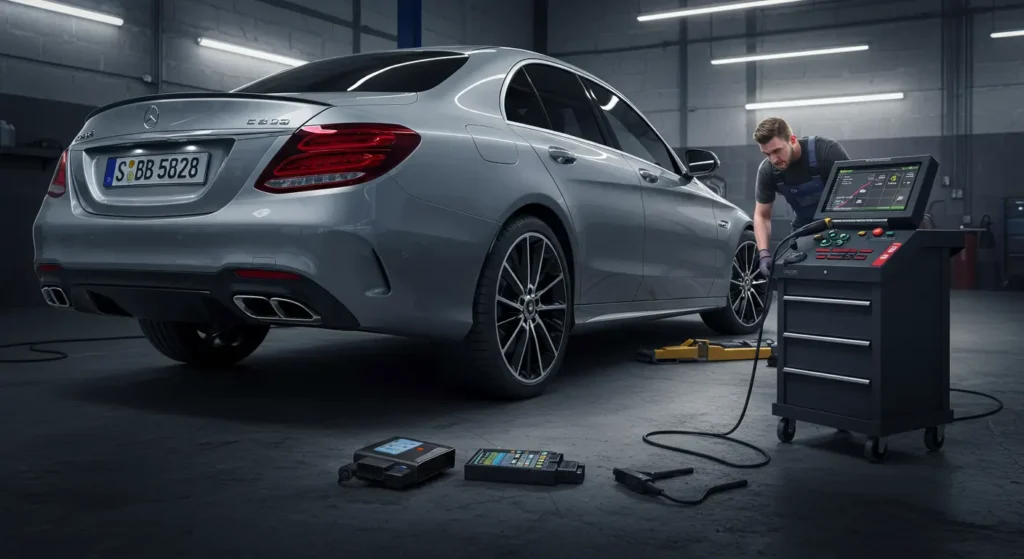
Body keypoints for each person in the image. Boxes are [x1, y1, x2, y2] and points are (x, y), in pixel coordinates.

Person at [751, 117, 851, 277]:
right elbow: (762, 215)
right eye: (767, 154)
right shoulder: (767, 170)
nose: (773, 160)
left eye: (776, 151)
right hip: (804, 229)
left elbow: (854, 196)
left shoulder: (826, 151)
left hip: (840, 227)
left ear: (792, 139)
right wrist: (763, 253)